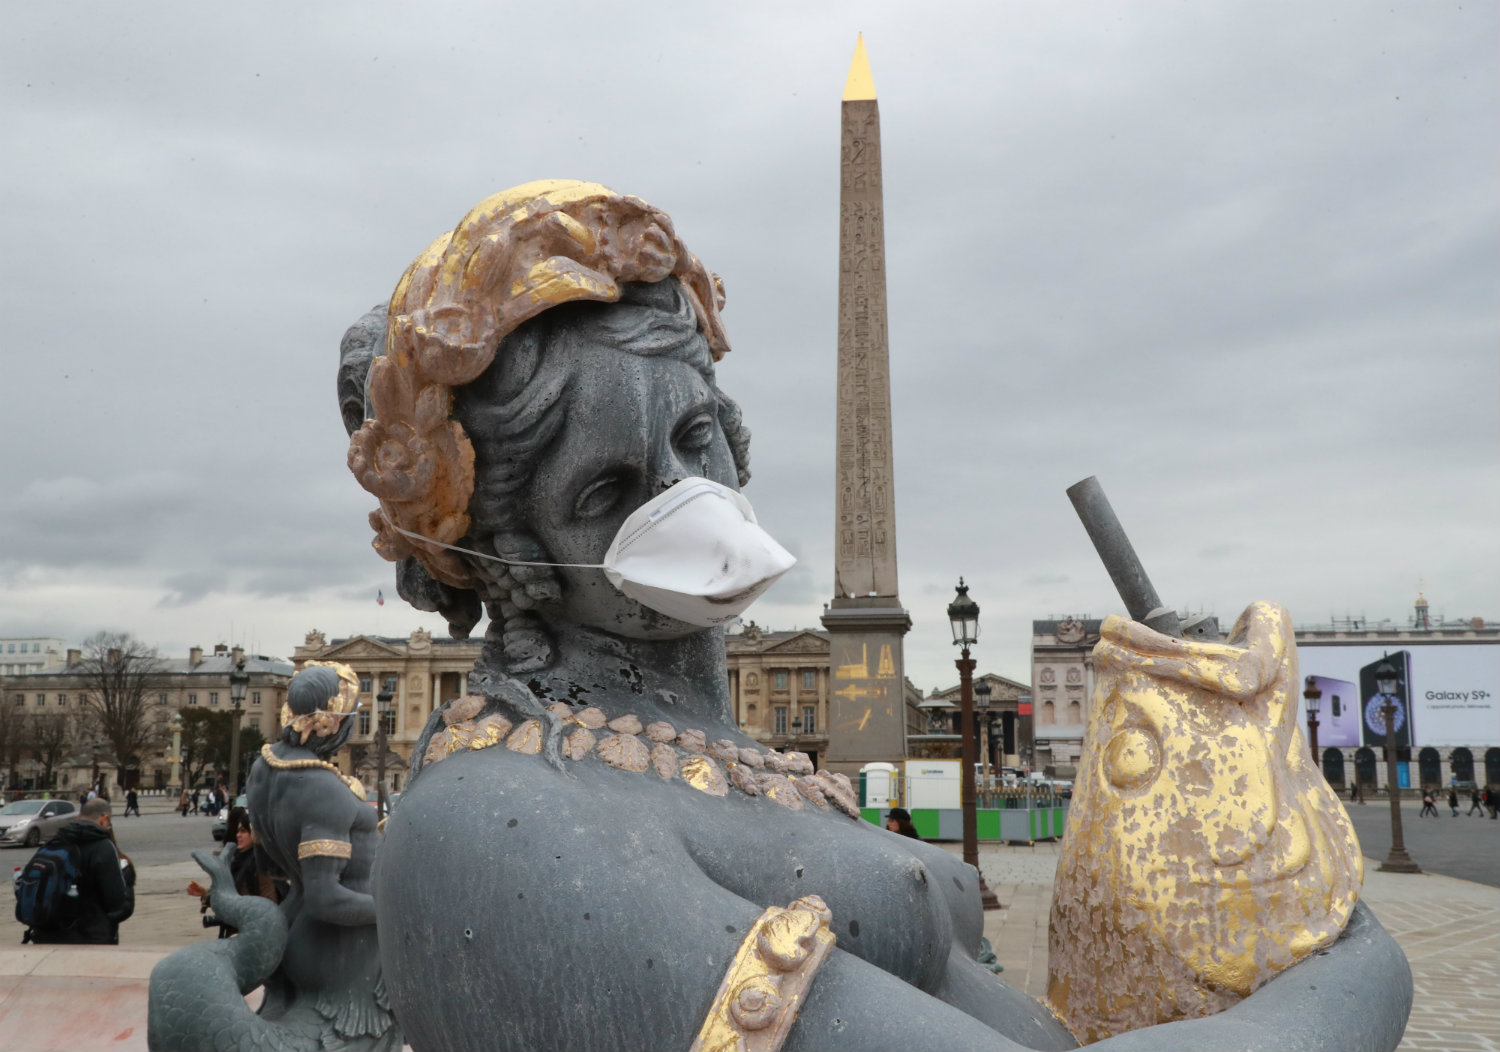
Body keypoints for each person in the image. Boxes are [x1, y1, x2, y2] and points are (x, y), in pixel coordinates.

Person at [329, 182, 1410, 1052]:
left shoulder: (684, 758)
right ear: (512, 562)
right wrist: (1355, 965)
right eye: (609, 492)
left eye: (697, 438)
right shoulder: (498, 827)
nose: (687, 493)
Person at [24, 798, 134, 945]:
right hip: (90, 936)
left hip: (46, 933)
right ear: (104, 819)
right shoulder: (103, 847)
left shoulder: (54, 842)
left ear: (78, 817)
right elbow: (116, 901)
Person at [187, 808, 279, 937]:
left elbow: (268, 907)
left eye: (243, 831)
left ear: (254, 834)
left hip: (248, 935)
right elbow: (229, 898)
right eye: (238, 831)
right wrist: (204, 894)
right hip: (233, 932)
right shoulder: (237, 860)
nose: (238, 835)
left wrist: (248, 933)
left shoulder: (260, 865)